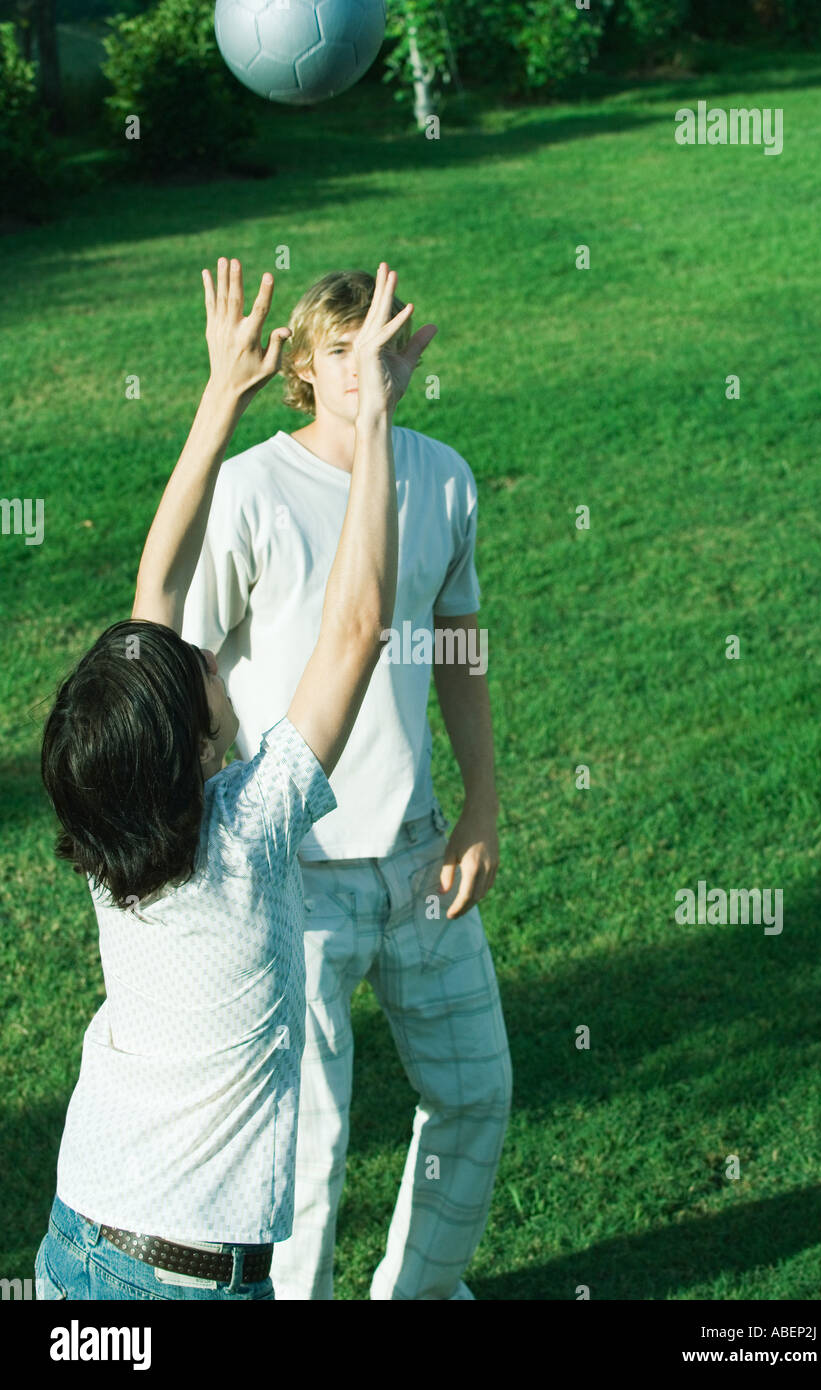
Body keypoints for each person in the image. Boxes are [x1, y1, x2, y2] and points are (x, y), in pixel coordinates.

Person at [34, 258, 433, 1300]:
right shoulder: (250, 828)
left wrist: (221, 394)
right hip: (184, 1282)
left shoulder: (115, 828)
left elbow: (157, 582)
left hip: (79, 1242)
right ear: (198, 743)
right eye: (200, 670)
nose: (206, 657)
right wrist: (379, 420)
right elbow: (356, 627)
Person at [182, 267, 512, 1300]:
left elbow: (459, 650)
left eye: (385, 344)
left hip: (419, 856)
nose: (367, 366)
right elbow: (187, 661)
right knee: (308, 1157)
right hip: (292, 869)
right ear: (304, 369)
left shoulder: (444, 477)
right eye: (340, 351)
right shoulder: (252, 487)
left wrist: (481, 803)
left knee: (477, 1094)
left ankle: (415, 1292)